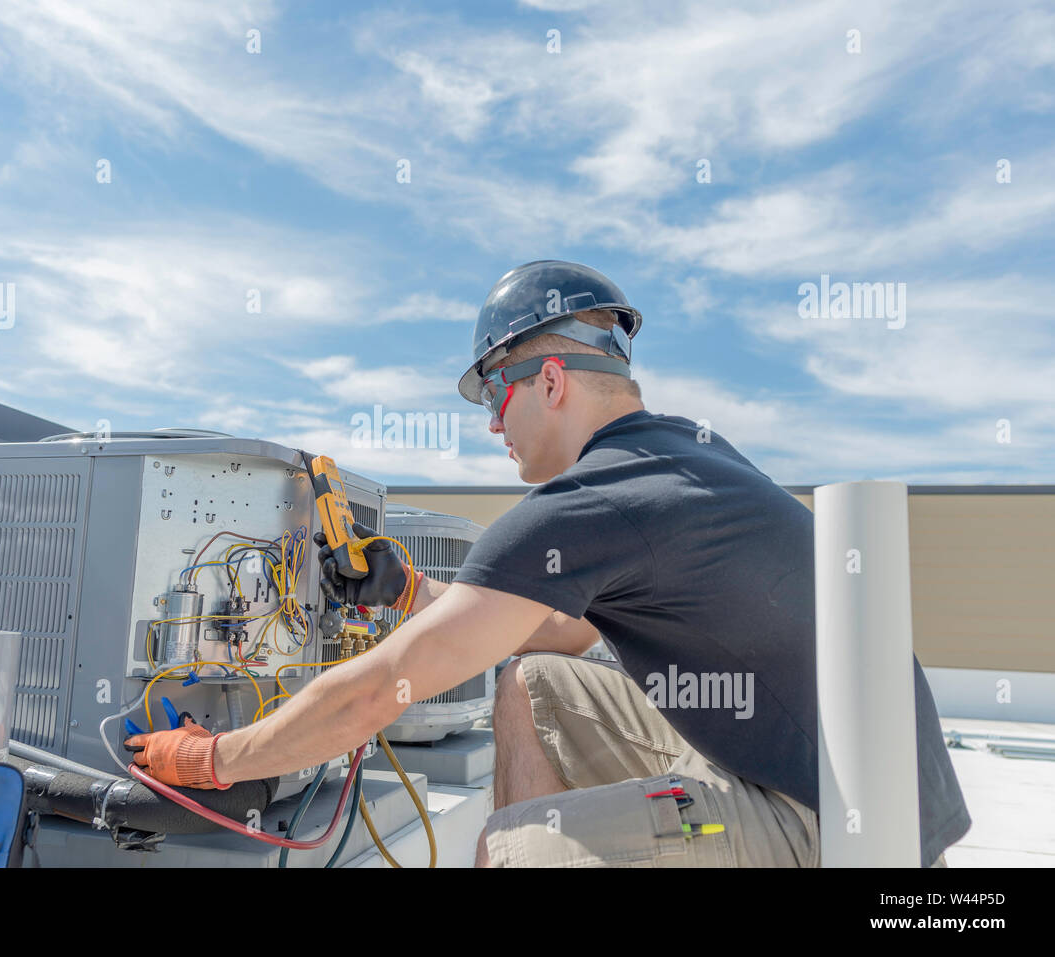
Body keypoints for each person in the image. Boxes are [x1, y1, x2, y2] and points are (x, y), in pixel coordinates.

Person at [126, 260, 971, 867]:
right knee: (529, 681)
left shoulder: (589, 502)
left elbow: (383, 689)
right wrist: (411, 589)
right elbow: (555, 636)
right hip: (866, 790)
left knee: (511, 847)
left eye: (496, 392)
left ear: (552, 379)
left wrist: (214, 759)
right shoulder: (681, 459)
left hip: (837, 835)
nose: (493, 424)